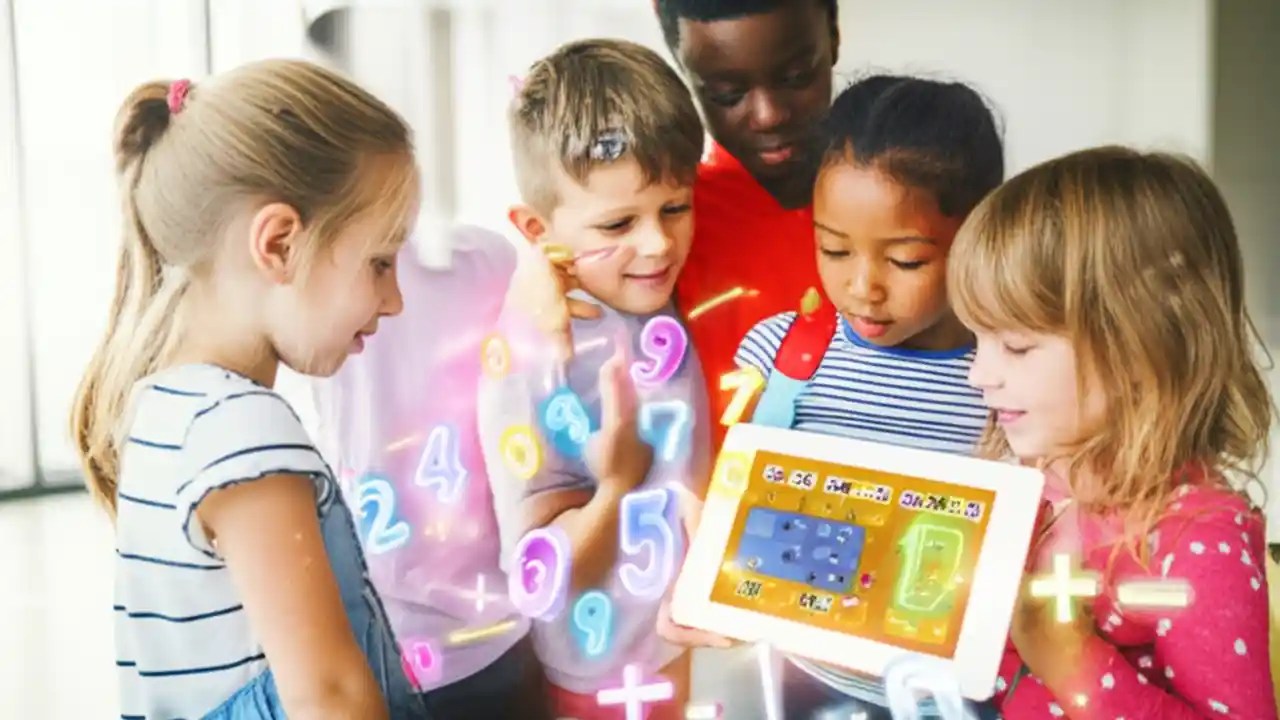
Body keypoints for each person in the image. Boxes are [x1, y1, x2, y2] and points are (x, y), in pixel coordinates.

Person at [71, 60, 425, 719]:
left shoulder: (164, 407)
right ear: (281, 242)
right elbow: (330, 696)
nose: (395, 298)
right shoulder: (239, 428)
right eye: (380, 261)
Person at [949, 147, 1277, 718]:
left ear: (1140, 349)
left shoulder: (1196, 544)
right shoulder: (1032, 494)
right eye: (977, 340)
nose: (979, 375)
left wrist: (1071, 659)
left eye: (1017, 347)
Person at [732, 75, 1003, 719]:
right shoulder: (778, 357)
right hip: (801, 685)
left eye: (905, 261)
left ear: (979, 232)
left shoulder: (1008, 382)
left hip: (958, 700)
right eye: (832, 248)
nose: (861, 288)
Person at [477, 39, 709, 720]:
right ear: (535, 229)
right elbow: (539, 574)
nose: (659, 244)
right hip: (591, 674)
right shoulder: (535, 353)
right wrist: (617, 485)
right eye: (618, 222)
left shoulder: (644, 293)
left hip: (669, 641)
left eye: (676, 208)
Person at [514, 0, 842, 450]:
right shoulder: (662, 220)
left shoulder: (903, 190)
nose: (767, 114)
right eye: (725, 94)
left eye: (796, 77)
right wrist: (532, 277)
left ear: (834, 34)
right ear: (683, 65)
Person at [308, 225, 550, 718]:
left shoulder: (487, 261)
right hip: (371, 660)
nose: (389, 301)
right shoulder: (294, 284)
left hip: (486, 651)